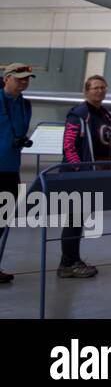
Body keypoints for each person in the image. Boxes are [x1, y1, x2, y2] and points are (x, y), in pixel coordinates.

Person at [58, 75, 111, 279]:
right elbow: (69, 146)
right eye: (95, 88)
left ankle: (72, 260)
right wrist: (79, 172)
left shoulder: (106, 116)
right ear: (87, 91)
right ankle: (68, 263)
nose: (99, 91)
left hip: (98, 175)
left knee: (80, 218)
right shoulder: (78, 115)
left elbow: (110, 146)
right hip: (80, 176)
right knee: (74, 219)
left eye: (102, 87)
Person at [0, 63, 34, 284]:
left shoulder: (25, 105)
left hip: (11, 169)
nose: (24, 81)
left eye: (27, 78)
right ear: (7, 78)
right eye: (20, 78)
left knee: (3, 219)